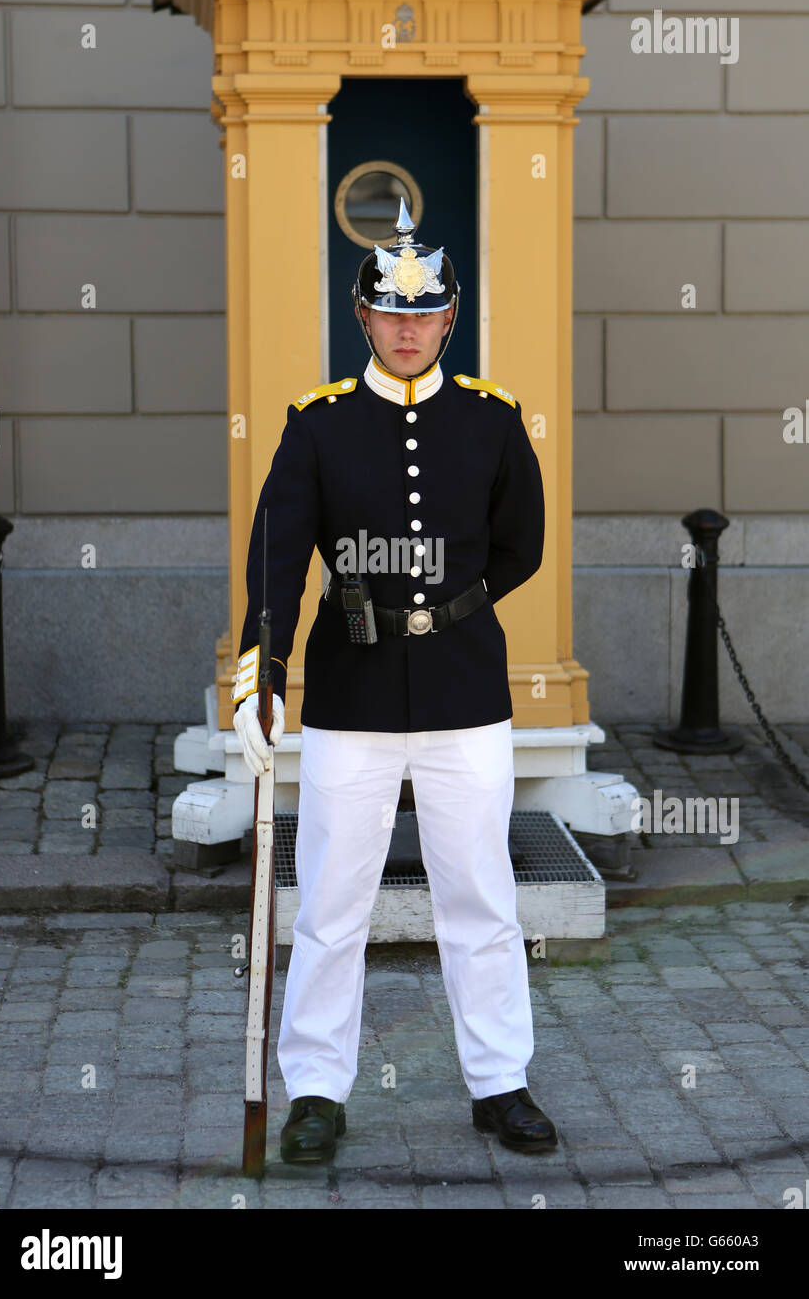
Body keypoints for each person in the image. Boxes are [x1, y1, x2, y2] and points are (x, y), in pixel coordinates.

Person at [233, 198, 556, 1163]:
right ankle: (318, 1091)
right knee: (334, 901)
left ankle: (499, 1083)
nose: (408, 329)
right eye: (390, 313)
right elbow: (277, 556)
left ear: (449, 318)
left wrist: (448, 606)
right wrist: (265, 674)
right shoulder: (318, 424)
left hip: (464, 692)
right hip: (352, 693)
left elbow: (522, 543)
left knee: (482, 896)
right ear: (363, 316)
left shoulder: (492, 419)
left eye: (425, 314)